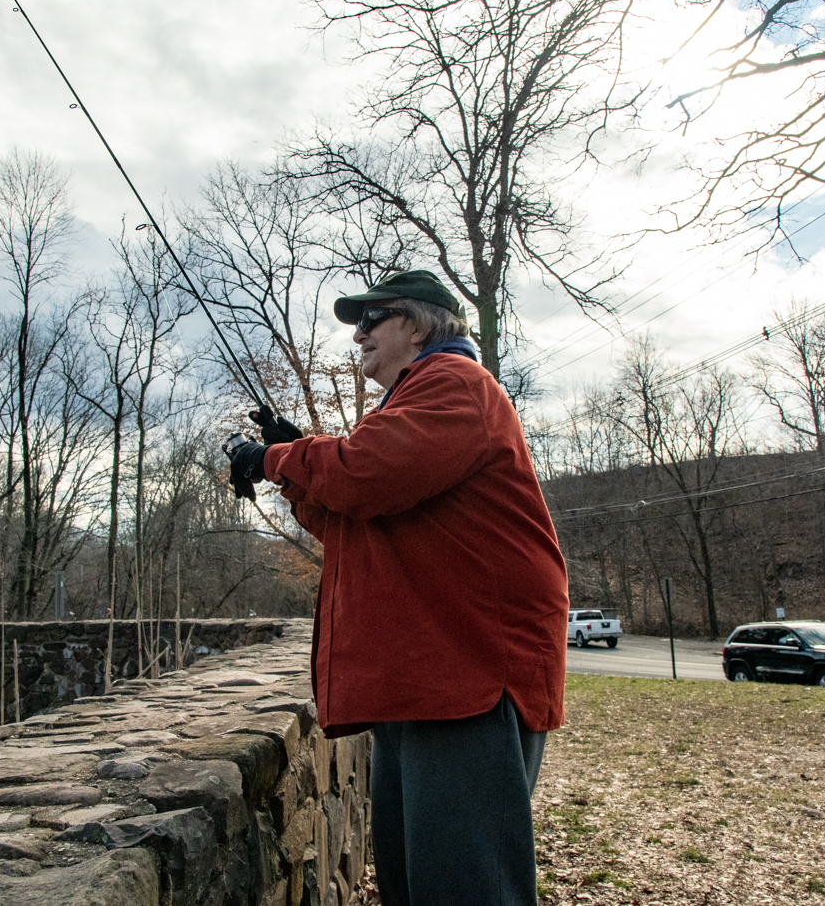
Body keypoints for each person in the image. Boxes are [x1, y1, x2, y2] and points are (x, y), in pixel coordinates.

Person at [224, 269, 568, 906]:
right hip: (428, 678)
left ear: (417, 324)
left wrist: (276, 457)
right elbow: (354, 522)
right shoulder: (412, 403)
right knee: (416, 887)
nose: (358, 335)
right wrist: (294, 467)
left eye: (371, 318)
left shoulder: (455, 386)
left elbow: (362, 475)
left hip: (471, 680)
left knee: (466, 889)